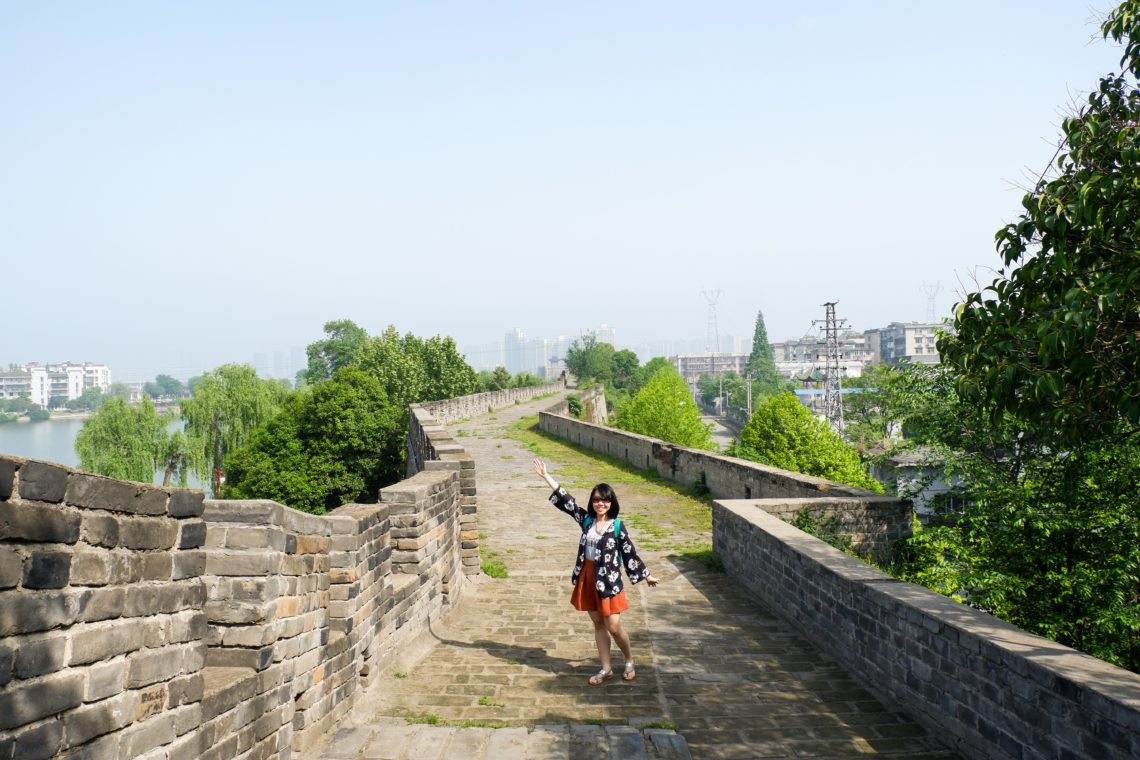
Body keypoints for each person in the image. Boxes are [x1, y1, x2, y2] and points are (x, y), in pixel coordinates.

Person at [532, 457, 659, 685]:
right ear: (592, 502)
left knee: (613, 625)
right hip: (588, 577)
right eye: (597, 499)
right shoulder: (587, 521)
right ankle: (606, 668)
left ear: (611, 502)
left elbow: (629, 552)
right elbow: (567, 502)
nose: (601, 503)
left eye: (605, 500)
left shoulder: (617, 526)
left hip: (609, 582)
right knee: (598, 624)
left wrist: (646, 575)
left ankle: (629, 659)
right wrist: (546, 477)